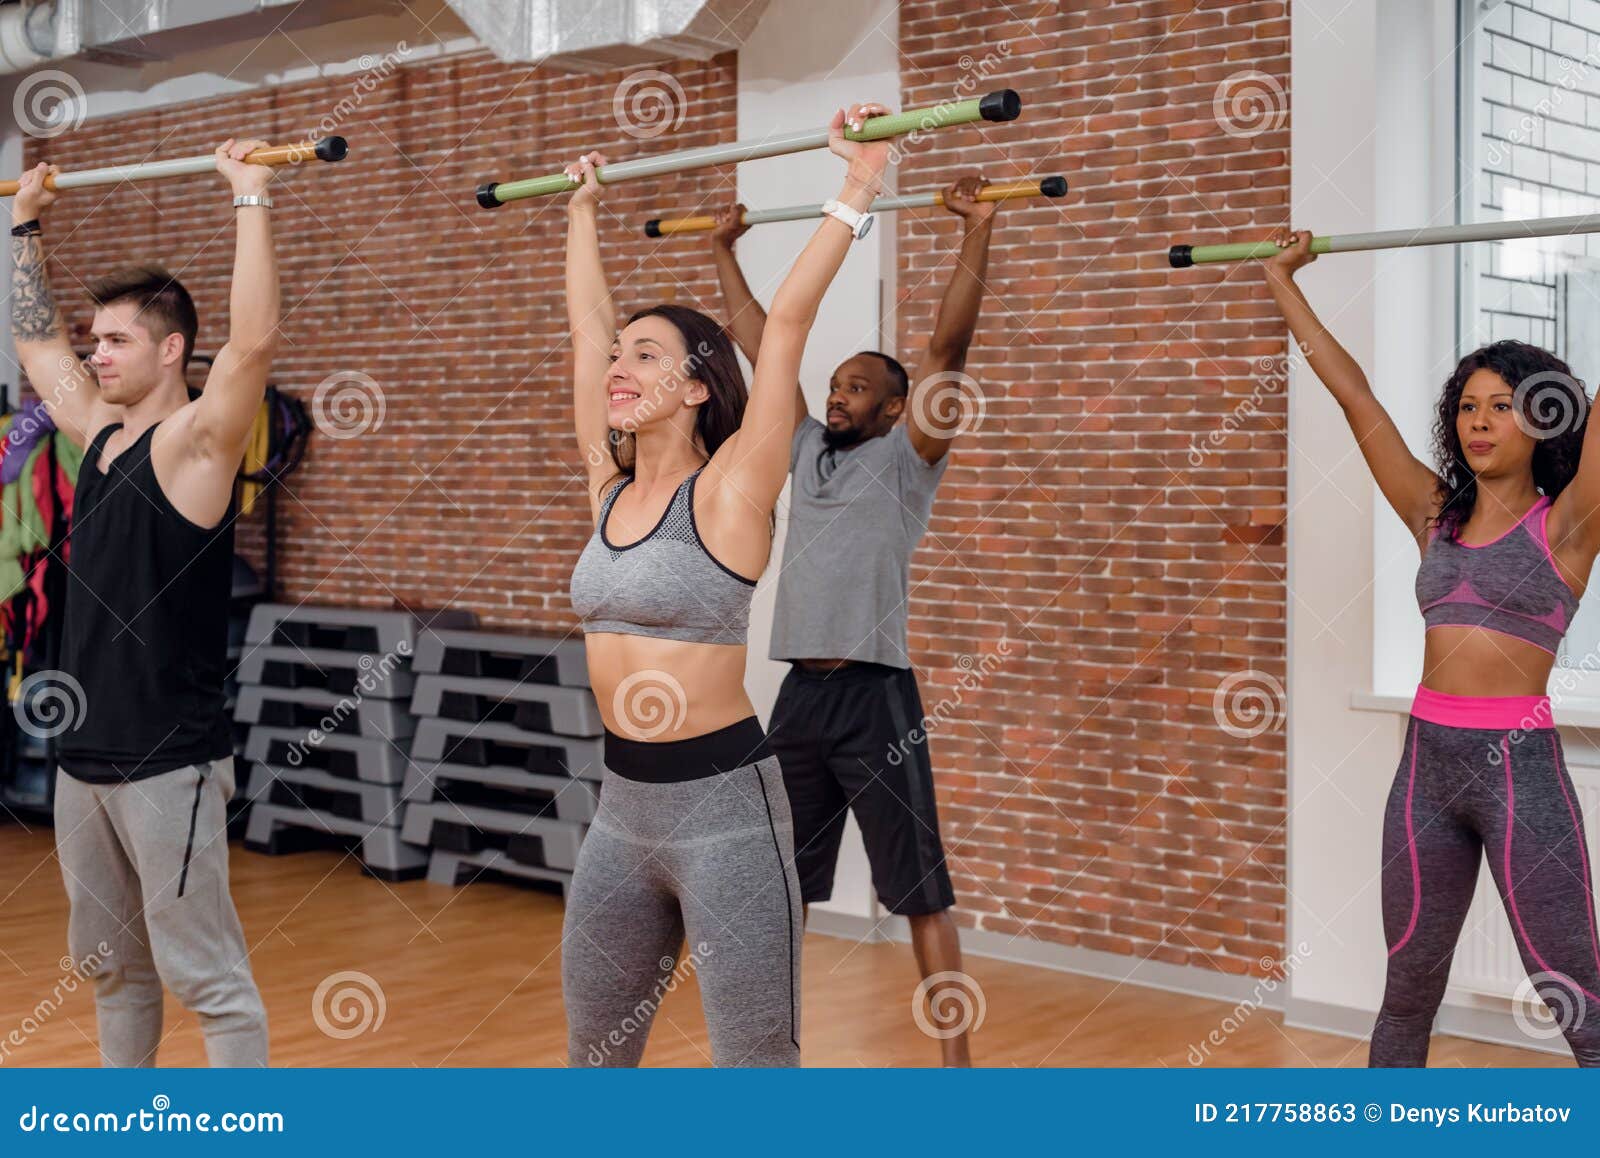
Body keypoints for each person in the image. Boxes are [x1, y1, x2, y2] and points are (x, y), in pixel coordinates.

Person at [561, 103, 893, 1067]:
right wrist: (582, 211)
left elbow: (785, 323)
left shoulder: (736, 485)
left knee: (754, 1069)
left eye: (647, 355)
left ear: (701, 385)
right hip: (621, 808)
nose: (620, 368)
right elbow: (586, 332)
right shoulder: (609, 484)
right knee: (594, 1059)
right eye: (623, 356)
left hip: (726, 811)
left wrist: (859, 185)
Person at [1264, 228, 1600, 1067]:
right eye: (1467, 406)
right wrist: (1281, 280)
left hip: (1520, 771)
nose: (1480, 421)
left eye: (1503, 405)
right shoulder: (1432, 513)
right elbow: (1356, 399)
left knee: (1577, 996)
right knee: (1407, 990)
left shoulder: (1567, 526)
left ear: (1545, 420)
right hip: (1425, 769)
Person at [706, 175, 999, 1066]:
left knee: (920, 892)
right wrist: (724, 250)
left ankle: (958, 1074)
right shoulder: (804, 450)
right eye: (837, 384)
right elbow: (765, 347)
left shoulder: (911, 458)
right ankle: (769, 1049)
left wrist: (975, 231)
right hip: (800, 698)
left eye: (860, 386)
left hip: (878, 700)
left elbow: (949, 342)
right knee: (782, 884)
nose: (839, 396)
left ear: (896, 405)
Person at [10, 140, 280, 1066]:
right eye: (98, 341)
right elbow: (34, 343)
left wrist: (250, 199)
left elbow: (252, 344)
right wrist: (23, 224)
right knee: (113, 972)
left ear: (170, 350)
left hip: (169, 762)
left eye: (116, 340)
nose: (97, 354)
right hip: (84, 758)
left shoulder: (198, 444)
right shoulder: (99, 438)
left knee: (206, 980)